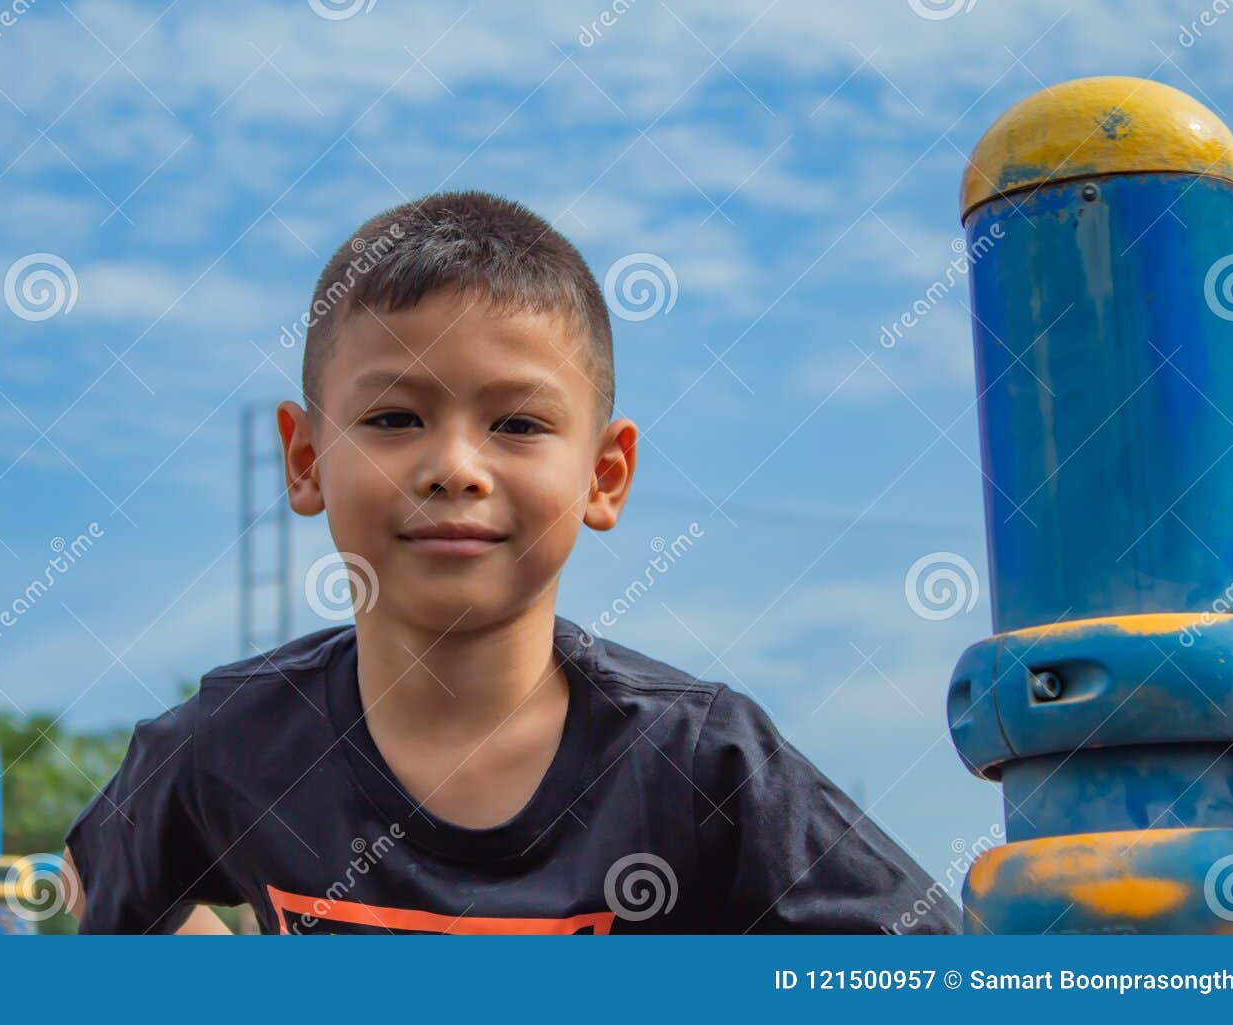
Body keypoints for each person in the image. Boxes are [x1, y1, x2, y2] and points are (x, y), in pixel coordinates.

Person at [61, 191, 960, 935]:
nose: (455, 466)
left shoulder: (701, 762)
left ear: (604, 476)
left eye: (518, 425)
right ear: (306, 460)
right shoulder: (237, 741)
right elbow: (102, 878)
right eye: (394, 419)